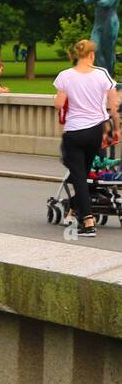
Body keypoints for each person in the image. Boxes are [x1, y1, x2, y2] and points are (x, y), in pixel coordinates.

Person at [54, 39, 120, 238]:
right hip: (95, 132)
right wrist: (115, 127)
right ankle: (74, 207)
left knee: (79, 177)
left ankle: (88, 221)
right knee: (83, 175)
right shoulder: (102, 74)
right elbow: (113, 105)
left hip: (74, 132)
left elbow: (59, 104)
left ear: (77, 54)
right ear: (92, 54)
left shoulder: (65, 75)